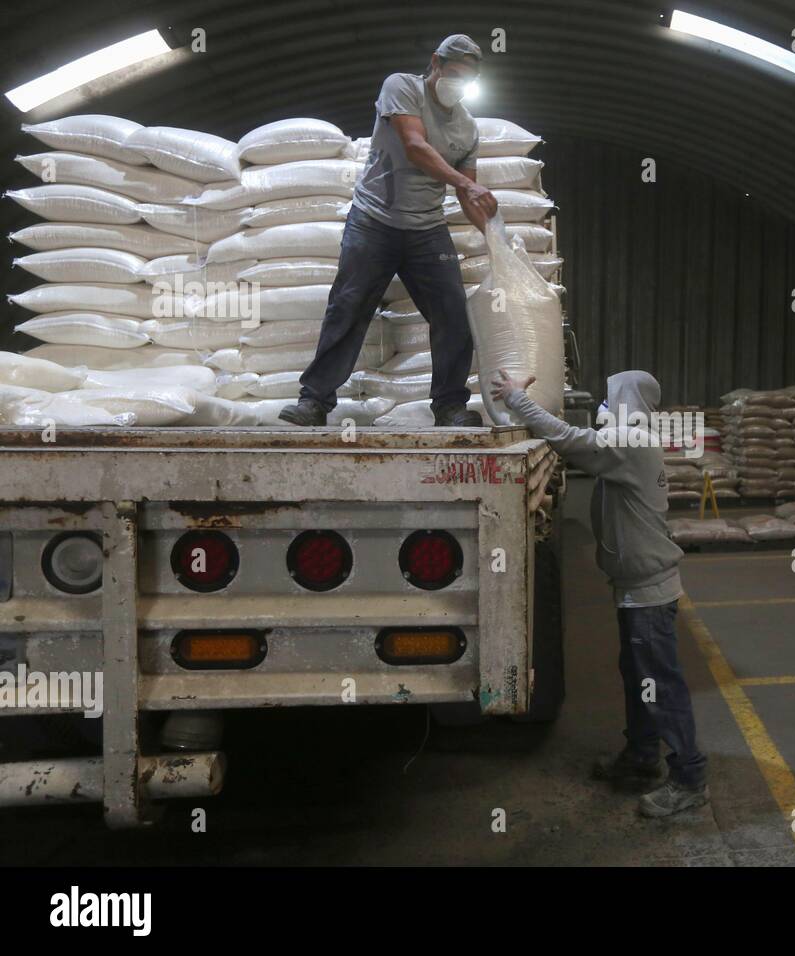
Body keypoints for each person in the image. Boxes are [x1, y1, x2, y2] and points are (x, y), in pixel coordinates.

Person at [488, 367, 710, 818]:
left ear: (625, 399)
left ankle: (690, 777)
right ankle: (642, 756)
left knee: (660, 685)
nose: (605, 408)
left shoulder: (633, 443)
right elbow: (583, 440)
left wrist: (516, 399)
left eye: (611, 399)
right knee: (639, 679)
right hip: (636, 588)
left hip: (648, 592)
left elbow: (571, 440)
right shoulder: (631, 441)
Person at [279, 34, 498, 427]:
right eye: (453, 73)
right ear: (435, 63)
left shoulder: (467, 128)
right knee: (348, 306)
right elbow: (414, 144)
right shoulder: (402, 86)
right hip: (373, 220)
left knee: (452, 313)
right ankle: (314, 401)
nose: (457, 84)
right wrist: (466, 184)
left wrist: (494, 236)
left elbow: (468, 194)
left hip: (427, 229)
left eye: (466, 79)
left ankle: (449, 406)